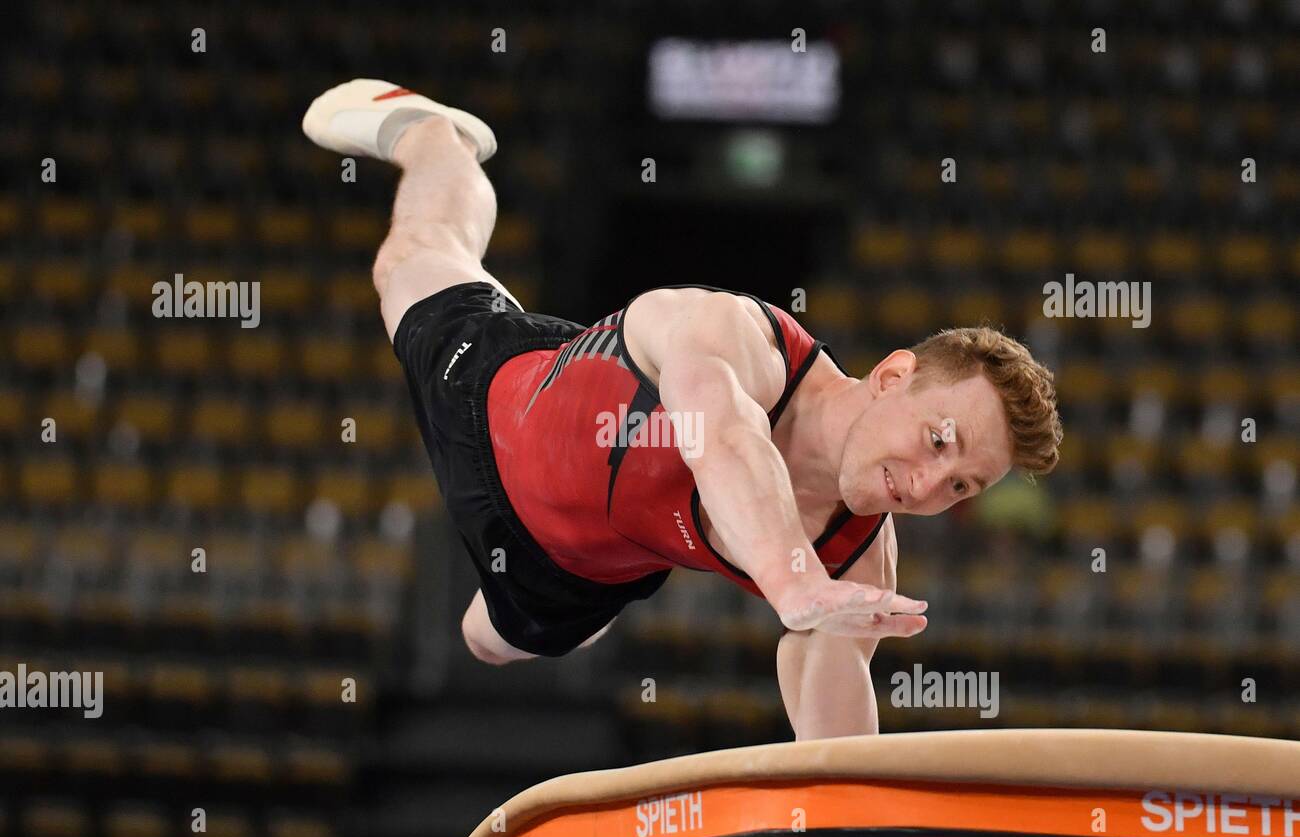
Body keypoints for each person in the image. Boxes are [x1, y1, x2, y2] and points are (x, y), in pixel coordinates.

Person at [302, 79, 1063, 739]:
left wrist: (849, 818)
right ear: (895, 375)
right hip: (495, 395)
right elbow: (721, 437)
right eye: (940, 441)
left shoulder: (858, 555)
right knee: (414, 259)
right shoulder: (734, 334)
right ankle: (438, 136)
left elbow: (831, 715)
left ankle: (581, 591)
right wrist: (794, 580)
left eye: (962, 486)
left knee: (487, 643)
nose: (930, 487)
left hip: (576, 572)